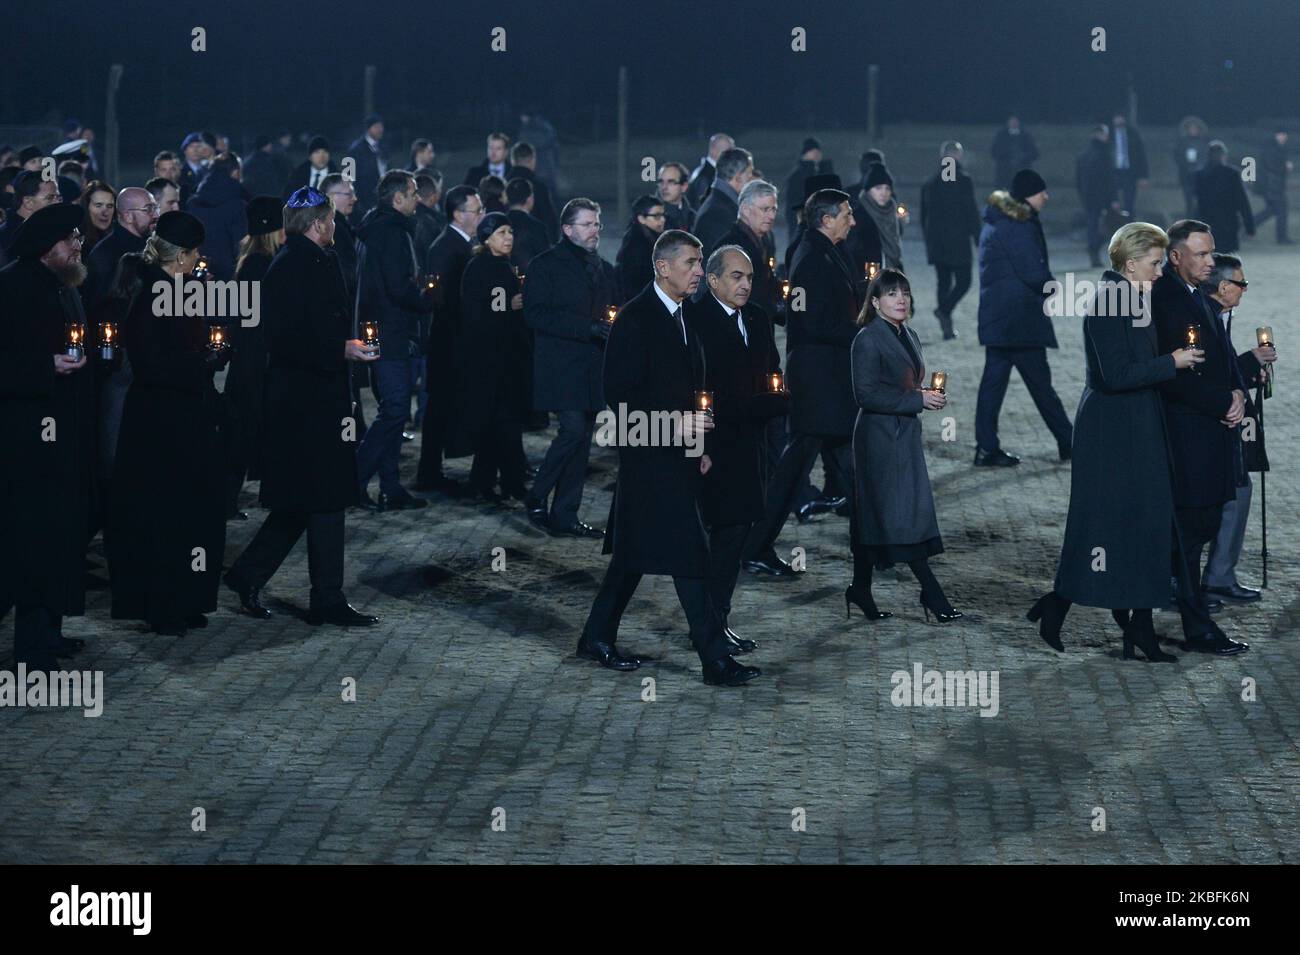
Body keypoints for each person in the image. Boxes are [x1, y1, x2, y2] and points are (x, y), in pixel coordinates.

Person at [579, 229, 760, 686]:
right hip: (648, 461)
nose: (699, 271)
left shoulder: (684, 316)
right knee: (690, 556)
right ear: (663, 268)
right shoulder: (637, 318)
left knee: (632, 556)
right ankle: (714, 659)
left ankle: (595, 635)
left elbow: (693, 393)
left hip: (678, 457)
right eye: (691, 263)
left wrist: (695, 446)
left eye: (701, 263)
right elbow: (616, 403)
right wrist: (671, 428)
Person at [1028, 223, 1203, 660]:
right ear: (1130, 264)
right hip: (1111, 431)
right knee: (1103, 524)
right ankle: (1060, 603)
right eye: (1155, 263)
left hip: (1136, 424)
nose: (1161, 271)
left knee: (1144, 524)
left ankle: (1138, 625)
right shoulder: (1111, 301)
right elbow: (1114, 375)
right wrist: (1172, 362)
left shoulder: (1133, 296)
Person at [223, 187, 380, 627]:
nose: (334, 227)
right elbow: (285, 339)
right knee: (324, 499)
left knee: (303, 501)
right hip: (302, 405)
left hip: (320, 398)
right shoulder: (290, 268)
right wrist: (340, 349)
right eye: (330, 220)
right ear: (317, 224)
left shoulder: (314, 260)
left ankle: (248, 574)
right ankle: (326, 598)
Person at [107, 211, 227, 636]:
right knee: (163, 511)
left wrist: (213, 351)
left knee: (189, 510)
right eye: (195, 254)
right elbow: (152, 362)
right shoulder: (151, 293)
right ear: (182, 256)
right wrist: (201, 363)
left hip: (183, 414)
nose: (199, 261)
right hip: (160, 420)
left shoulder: (179, 289)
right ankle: (161, 602)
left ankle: (186, 597)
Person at [0, 203, 97, 669]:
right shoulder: (11, 286)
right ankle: (30, 647)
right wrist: (46, 367)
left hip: (62, 432)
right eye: (71, 238)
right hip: (24, 439)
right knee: (29, 543)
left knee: (57, 537)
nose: (79, 244)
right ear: (46, 248)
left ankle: (48, 633)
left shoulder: (66, 284)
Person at [742, 188, 858, 576]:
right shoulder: (811, 256)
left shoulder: (823, 251)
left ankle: (880, 547)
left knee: (853, 469)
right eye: (846, 214)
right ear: (826, 220)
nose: (852, 221)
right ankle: (754, 545)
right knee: (792, 471)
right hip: (817, 381)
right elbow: (805, 319)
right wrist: (857, 330)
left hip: (828, 380)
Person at [1151, 219, 1250, 655]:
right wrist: (1220, 403)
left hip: (1211, 429)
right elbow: (1171, 374)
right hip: (1188, 434)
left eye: (1212, 253)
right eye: (1203, 254)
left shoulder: (1197, 297)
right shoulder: (1167, 300)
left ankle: (1182, 604)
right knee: (1191, 530)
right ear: (1176, 256)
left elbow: (1221, 359)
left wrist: (1237, 395)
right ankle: (1196, 624)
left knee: (1202, 525)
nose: (1212, 262)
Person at [846, 269, 961, 623]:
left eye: (905, 293)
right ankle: (932, 593)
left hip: (902, 435)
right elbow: (865, 394)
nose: (901, 299)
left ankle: (860, 589)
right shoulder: (867, 338)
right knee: (900, 515)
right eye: (892, 294)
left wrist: (924, 398)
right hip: (879, 439)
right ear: (876, 302)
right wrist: (917, 399)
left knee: (876, 514)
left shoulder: (908, 333)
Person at [688, 245, 786, 655]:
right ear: (712, 281)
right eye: (735, 277)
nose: (746, 284)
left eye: (748, 277)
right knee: (720, 539)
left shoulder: (758, 318)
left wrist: (777, 398)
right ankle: (707, 627)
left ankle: (717, 622)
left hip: (751, 445)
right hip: (715, 448)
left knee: (736, 538)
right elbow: (696, 388)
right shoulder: (697, 321)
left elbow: (772, 371)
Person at [522, 197, 617, 536]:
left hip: (592, 367)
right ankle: (535, 495)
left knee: (582, 440)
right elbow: (534, 314)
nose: (596, 230)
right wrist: (587, 328)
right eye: (588, 224)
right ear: (567, 229)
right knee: (573, 431)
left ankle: (566, 514)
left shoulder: (603, 267)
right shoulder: (545, 265)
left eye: (597, 224)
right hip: (560, 366)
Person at [973, 169, 1074, 466]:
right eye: (1041, 191)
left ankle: (986, 447)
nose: (1047, 196)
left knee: (994, 384)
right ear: (1029, 195)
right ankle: (1069, 441)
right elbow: (1033, 272)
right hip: (1018, 321)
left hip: (1002, 319)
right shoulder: (1017, 224)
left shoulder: (1001, 220)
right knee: (1040, 385)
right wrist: (1052, 286)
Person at [354, 170, 432, 510]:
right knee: (395, 409)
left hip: (380, 330)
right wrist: (428, 297)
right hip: (391, 333)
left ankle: (390, 487)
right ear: (397, 199)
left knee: (394, 411)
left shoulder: (376, 228)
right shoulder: (391, 233)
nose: (418, 199)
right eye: (413, 193)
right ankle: (353, 480)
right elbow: (398, 287)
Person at [1202, 252, 1273, 603]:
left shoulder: (1217, 314)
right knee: (1228, 495)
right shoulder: (1204, 314)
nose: (1245, 290)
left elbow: (1223, 369)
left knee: (1237, 491)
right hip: (1214, 425)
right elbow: (1206, 373)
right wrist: (1246, 365)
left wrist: (1248, 371)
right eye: (1242, 284)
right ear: (1225, 286)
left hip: (1224, 422)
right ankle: (1206, 579)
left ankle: (1216, 576)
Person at [445, 212, 530, 501]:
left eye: (510, 232)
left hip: (503, 360)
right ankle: (507, 483)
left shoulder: (501, 265)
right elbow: (477, 313)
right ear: (487, 238)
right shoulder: (482, 267)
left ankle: (487, 482)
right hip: (488, 362)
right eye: (502, 233)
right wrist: (512, 305)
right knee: (500, 423)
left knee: (499, 424)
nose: (508, 238)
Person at [414, 185, 483, 494]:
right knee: (439, 408)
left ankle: (434, 469)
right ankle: (428, 472)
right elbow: (441, 299)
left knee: (445, 408)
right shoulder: (446, 247)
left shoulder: (465, 243)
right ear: (458, 214)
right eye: (476, 210)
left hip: (459, 340)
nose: (480, 215)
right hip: (448, 342)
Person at [224, 196, 284, 515]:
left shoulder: (251, 260)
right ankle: (227, 499)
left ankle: (233, 497)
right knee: (246, 431)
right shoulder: (261, 264)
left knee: (249, 430)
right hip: (256, 358)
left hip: (251, 356)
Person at [920, 141, 981, 340]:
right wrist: (978, 237)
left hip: (938, 242)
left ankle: (946, 324)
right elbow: (970, 210)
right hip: (958, 241)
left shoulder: (930, 183)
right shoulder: (963, 180)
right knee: (964, 281)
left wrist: (929, 239)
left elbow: (924, 216)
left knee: (943, 283)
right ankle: (945, 312)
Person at [84, 186, 158, 308]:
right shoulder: (105, 254)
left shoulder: (152, 245)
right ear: (127, 216)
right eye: (148, 209)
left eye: (156, 208)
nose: (156, 215)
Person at [185, 152, 247, 281]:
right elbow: (243, 244)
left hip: (199, 272)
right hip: (230, 276)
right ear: (235, 172)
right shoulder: (237, 205)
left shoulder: (192, 203)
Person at [692, 146, 754, 256]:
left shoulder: (720, 204)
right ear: (738, 177)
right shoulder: (718, 214)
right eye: (749, 175)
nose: (751, 180)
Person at [1194, 141, 1255, 253]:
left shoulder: (1200, 175)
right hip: (1228, 224)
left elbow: (1196, 202)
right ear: (1224, 155)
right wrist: (1249, 227)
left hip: (1207, 222)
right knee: (1226, 260)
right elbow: (1242, 202)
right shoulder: (1232, 174)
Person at [849, 162, 905, 275]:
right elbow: (852, 251)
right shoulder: (858, 216)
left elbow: (895, 251)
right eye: (878, 188)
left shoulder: (892, 215)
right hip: (866, 278)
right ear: (868, 190)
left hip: (890, 277)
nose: (883, 193)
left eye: (887, 188)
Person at [1076, 124, 1118, 268]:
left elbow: (1079, 179)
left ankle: (1093, 250)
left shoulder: (1084, 154)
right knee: (1106, 226)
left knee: (1094, 225)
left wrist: (1083, 195)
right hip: (1101, 197)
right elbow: (1109, 178)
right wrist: (1113, 198)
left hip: (1089, 197)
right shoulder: (1103, 154)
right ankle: (1094, 249)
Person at [0, 171, 59, 266]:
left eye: (58, 198)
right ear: (28, 202)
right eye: (50, 198)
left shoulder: (54, 229)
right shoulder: (4, 240)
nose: (58, 203)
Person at [614, 194, 664, 302]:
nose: (662, 220)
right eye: (657, 216)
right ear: (641, 218)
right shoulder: (635, 245)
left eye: (663, 215)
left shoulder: (652, 236)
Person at [508, 142, 559, 241]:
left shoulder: (503, 184)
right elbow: (550, 220)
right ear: (533, 159)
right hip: (534, 246)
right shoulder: (539, 187)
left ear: (512, 160)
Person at [783, 137, 833, 235]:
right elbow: (793, 208)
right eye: (811, 151)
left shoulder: (825, 172)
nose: (816, 153)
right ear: (804, 154)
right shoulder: (796, 177)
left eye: (818, 151)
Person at [1253, 129, 1292, 244]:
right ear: (1277, 135)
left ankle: (1246, 227)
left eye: (1285, 134)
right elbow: (1271, 167)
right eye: (1282, 134)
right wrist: (1285, 167)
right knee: (1282, 210)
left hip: (1269, 185)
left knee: (1271, 210)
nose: (1284, 137)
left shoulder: (1273, 147)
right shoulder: (1273, 148)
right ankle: (1282, 238)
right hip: (1272, 186)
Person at [346, 114, 388, 218]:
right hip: (364, 203)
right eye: (377, 127)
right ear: (369, 129)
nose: (381, 130)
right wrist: (357, 203)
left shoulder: (383, 147)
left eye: (381, 126)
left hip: (382, 199)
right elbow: (347, 178)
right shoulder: (354, 150)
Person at [504, 177, 548, 271]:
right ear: (529, 199)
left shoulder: (499, 223)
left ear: (507, 199)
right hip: (530, 280)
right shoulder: (537, 227)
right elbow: (545, 259)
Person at [686, 133, 734, 209]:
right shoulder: (705, 176)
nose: (732, 156)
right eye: (728, 152)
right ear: (713, 150)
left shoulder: (706, 172)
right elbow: (702, 208)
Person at [991, 115, 1039, 189]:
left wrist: (1023, 157)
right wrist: (1005, 156)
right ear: (1008, 123)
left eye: (1015, 121)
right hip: (1004, 171)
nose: (1013, 123)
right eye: (1012, 121)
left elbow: (1034, 153)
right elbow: (994, 151)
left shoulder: (1025, 136)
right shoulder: (1001, 135)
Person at [1175, 117, 1210, 217]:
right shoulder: (1182, 142)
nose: (1193, 130)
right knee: (1189, 201)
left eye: (1195, 128)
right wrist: (1186, 164)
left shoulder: (1205, 142)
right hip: (1187, 176)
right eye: (1191, 128)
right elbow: (1177, 157)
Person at [656, 161, 695, 233]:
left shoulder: (693, 219)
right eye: (661, 182)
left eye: (671, 182)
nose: (664, 187)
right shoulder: (651, 218)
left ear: (684, 186)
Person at [79, 180, 116, 254]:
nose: (105, 213)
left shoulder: (117, 240)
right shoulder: (77, 244)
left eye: (110, 206)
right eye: (98, 205)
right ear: (86, 207)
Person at [178, 132, 210, 206]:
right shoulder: (180, 171)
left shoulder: (208, 170)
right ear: (185, 150)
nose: (195, 150)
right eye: (191, 146)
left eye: (198, 146)